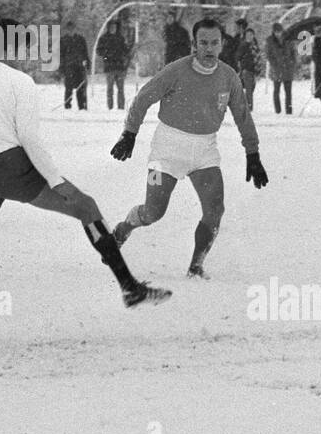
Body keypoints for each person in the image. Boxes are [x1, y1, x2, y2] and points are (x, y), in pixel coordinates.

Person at [0, 18, 170, 346]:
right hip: (14, 169)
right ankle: (129, 287)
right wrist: (56, 181)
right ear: (17, 47)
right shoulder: (20, 81)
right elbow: (28, 137)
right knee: (86, 207)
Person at [110, 18, 269, 278]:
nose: (209, 48)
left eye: (214, 43)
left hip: (205, 150)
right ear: (194, 44)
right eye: (203, 43)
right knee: (153, 213)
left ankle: (196, 266)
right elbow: (144, 97)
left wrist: (253, 154)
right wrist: (129, 133)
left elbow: (242, 115)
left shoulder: (228, 76)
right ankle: (124, 228)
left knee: (215, 210)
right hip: (166, 150)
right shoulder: (176, 70)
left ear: (221, 44)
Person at [96, 20, 130, 110]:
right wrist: (107, 55)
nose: (113, 29)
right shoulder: (103, 39)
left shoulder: (120, 38)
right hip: (109, 67)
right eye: (111, 27)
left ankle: (121, 107)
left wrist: (127, 52)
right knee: (110, 89)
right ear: (108, 28)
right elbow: (99, 51)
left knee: (120, 89)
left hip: (119, 67)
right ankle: (110, 107)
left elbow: (126, 51)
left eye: (114, 27)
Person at [265, 24, 296, 115]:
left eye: (279, 31)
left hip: (287, 69)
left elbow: (293, 53)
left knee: (288, 92)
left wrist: (292, 63)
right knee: (276, 91)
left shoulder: (288, 40)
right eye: (276, 32)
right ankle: (278, 110)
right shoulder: (270, 41)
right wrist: (274, 64)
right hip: (277, 69)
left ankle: (289, 110)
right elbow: (269, 55)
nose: (278, 34)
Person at [59, 20, 90, 111]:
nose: (71, 30)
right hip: (69, 67)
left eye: (72, 29)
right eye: (69, 29)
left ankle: (82, 107)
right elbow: (61, 55)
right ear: (67, 30)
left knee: (81, 87)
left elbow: (85, 53)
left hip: (79, 67)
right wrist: (62, 68)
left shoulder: (81, 39)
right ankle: (67, 106)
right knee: (69, 88)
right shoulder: (63, 40)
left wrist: (87, 64)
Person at [237, 26, 260, 111]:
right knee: (249, 89)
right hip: (246, 70)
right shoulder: (243, 45)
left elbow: (258, 56)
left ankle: (246, 105)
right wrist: (243, 64)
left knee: (251, 88)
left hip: (254, 70)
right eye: (248, 35)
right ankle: (249, 108)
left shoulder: (255, 45)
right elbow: (238, 56)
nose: (249, 36)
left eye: (251, 34)